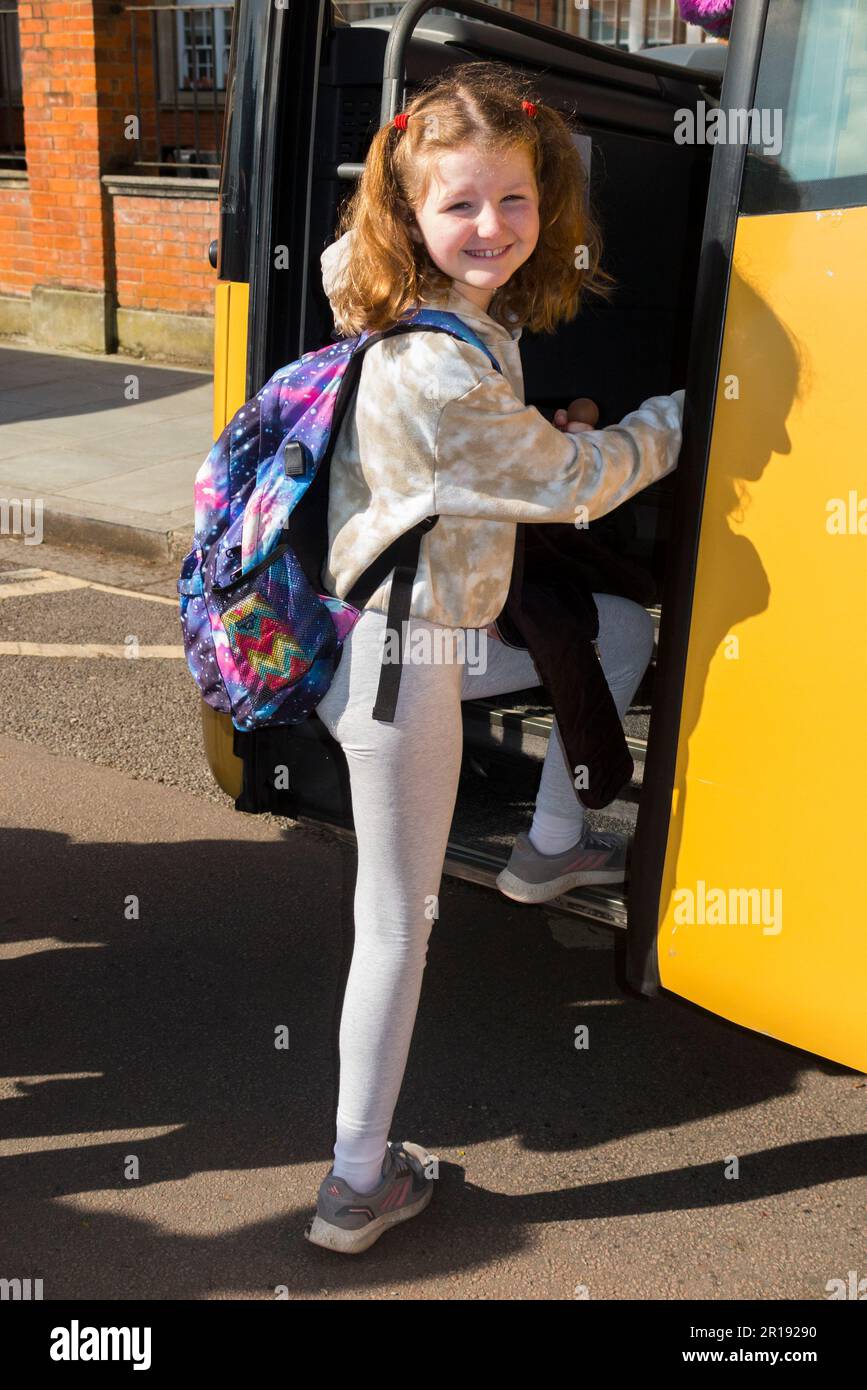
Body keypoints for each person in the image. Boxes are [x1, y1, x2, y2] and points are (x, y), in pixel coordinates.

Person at [305, 61, 684, 1254]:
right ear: (412, 213)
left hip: (425, 635)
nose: (492, 227)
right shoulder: (442, 363)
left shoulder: (418, 306)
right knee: (399, 923)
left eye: (513, 201)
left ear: (546, 198)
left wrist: (533, 434)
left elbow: (502, 454)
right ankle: (356, 1180)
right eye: (460, 204)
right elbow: (578, 487)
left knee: (615, 631)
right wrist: (688, 412)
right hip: (397, 663)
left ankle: (550, 848)